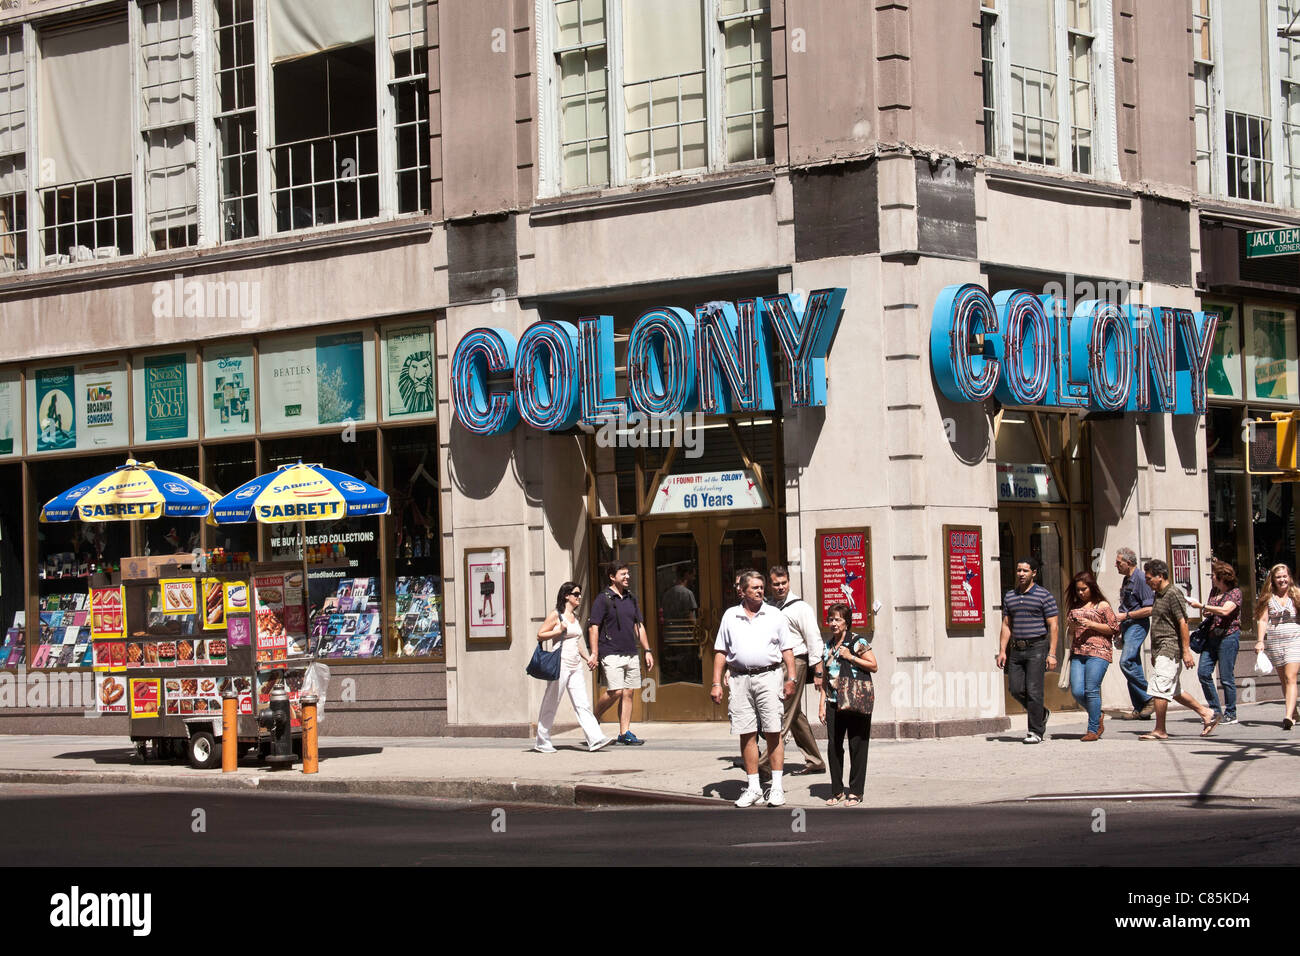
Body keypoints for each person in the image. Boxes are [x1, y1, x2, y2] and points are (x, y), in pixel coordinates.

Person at [711, 570, 798, 808]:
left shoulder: (775, 615)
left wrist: (791, 678)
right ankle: (753, 787)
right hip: (739, 679)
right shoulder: (731, 616)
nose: (761, 590)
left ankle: (777, 787)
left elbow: (787, 649)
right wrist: (716, 682)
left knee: (773, 730)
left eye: (762, 587)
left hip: (769, 676)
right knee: (746, 731)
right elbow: (721, 651)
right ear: (743, 590)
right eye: (755, 587)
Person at [1139, 559, 1219, 740]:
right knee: (1173, 690)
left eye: (1149, 578)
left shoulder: (1173, 593)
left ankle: (1160, 729)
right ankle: (1206, 713)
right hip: (1161, 649)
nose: (1147, 581)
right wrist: (1154, 653)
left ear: (1160, 576)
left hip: (1170, 648)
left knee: (1160, 688)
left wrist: (1186, 651)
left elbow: (1183, 622)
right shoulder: (1159, 594)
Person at [758, 565, 826, 775]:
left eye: (783, 583)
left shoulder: (800, 607)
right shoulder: (768, 606)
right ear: (770, 584)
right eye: (776, 584)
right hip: (775, 664)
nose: (780, 587)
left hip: (796, 662)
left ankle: (763, 764)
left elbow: (813, 639)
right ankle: (815, 761)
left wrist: (818, 671)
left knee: (782, 713)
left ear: (789, 582)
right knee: (794, 715)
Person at [534, 582, 614, 754]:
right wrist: (557, 631)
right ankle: (542, 740)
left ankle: (595, 738)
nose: (579, 596)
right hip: (560, 663)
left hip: (575, 664)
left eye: (579, 594)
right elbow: (540, 635)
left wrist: (588, 658)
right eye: (576, 594)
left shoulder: (575, 618)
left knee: (582, 703)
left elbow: (576, 642)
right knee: (551, 702)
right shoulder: (557, 615)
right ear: (566, 596)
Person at [588, 562, 654, 745]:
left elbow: (638, 625)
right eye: (623, 574)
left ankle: (624, 732)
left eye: (628, 574)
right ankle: (593, 717)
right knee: (615, 691)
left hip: (630, 651)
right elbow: (594, 627)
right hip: (610, 651)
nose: (627, 577)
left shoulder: (631, 598)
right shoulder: (603, 598)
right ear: (612, 576)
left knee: (628, 692)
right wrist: (594, 653)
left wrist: (647, 650)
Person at [817, 602, 876, 806]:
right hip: (834, 702)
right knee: (834, 747)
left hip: (855, 699)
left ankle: (856, 791)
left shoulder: (856, 641)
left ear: (846, 622)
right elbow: (825, 676)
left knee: (857, 745)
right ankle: (837, 790)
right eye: (831, 619)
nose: (833, 623)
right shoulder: (827, 645)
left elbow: (873, 665)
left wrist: (850, 656)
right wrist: (822, 704)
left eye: (838, 619)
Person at [996, 556, 1059, 744]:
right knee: (1015, 688)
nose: (1020, 574)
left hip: (1037, 647)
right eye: (1018, 570)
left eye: (1025, 570)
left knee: (1034, 690)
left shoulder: (1044, 595)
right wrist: (1002, 651)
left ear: (1034, 573)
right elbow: (1006, 625)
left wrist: (1052, 653)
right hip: (1017, 648)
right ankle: (1041, 713)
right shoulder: (1010, 596)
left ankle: (1035, 731)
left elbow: (1053, 626)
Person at [1064, 571, 1119, 742]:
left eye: (1084, 589)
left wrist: (1092, 624)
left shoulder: (1102, 606)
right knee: (1078, 691)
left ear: (1091, 587)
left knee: (1092, 690)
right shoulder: (1075, 607)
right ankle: (1098, 714)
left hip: (1099, 652)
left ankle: (1093, 729)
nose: (1081, 593)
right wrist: (1072, 626)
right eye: (1078, 590)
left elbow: (1114, 628)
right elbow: (1071, 632)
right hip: (1079, 652)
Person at [1189, 560, 1242, 726]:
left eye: (1213, 575)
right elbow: (1210, 611)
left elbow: (1226, 610)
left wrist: (1203, 606)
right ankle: (1215, 710)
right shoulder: (1214, 591)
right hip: (1212, 636)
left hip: (1229, 636)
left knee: (1226, 677)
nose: (1211, 577)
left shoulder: (1235, 593)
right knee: (1204, 672)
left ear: (1221, 577)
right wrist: (1205, 609)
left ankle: (1231, 713)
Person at [1255, 563, 1300, 730]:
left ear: (1289, 577)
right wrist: (1260, 641)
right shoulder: (1268, 598)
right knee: (1284, 680)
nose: (1282, 580)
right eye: (1278, 577)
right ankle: (1294, 711)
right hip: (1275, 641)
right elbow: (1263, 620)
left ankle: (1288, 716)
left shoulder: (1296, 595)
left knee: (1291, 677)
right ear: (1273, 580)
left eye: (1285, 576)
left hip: (1295, 640)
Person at [1114, 548, 1156, 720]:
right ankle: (1140, 707)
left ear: (1128, 562)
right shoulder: (1127, 580)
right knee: (1134, 664)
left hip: (1137, 624)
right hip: (1126, 624)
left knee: (1126, 662)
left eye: (1118, 562)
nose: (1116, 565)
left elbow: (1149, 609)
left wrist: (1128, 616)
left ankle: (1149, 697)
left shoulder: (1141, 579)